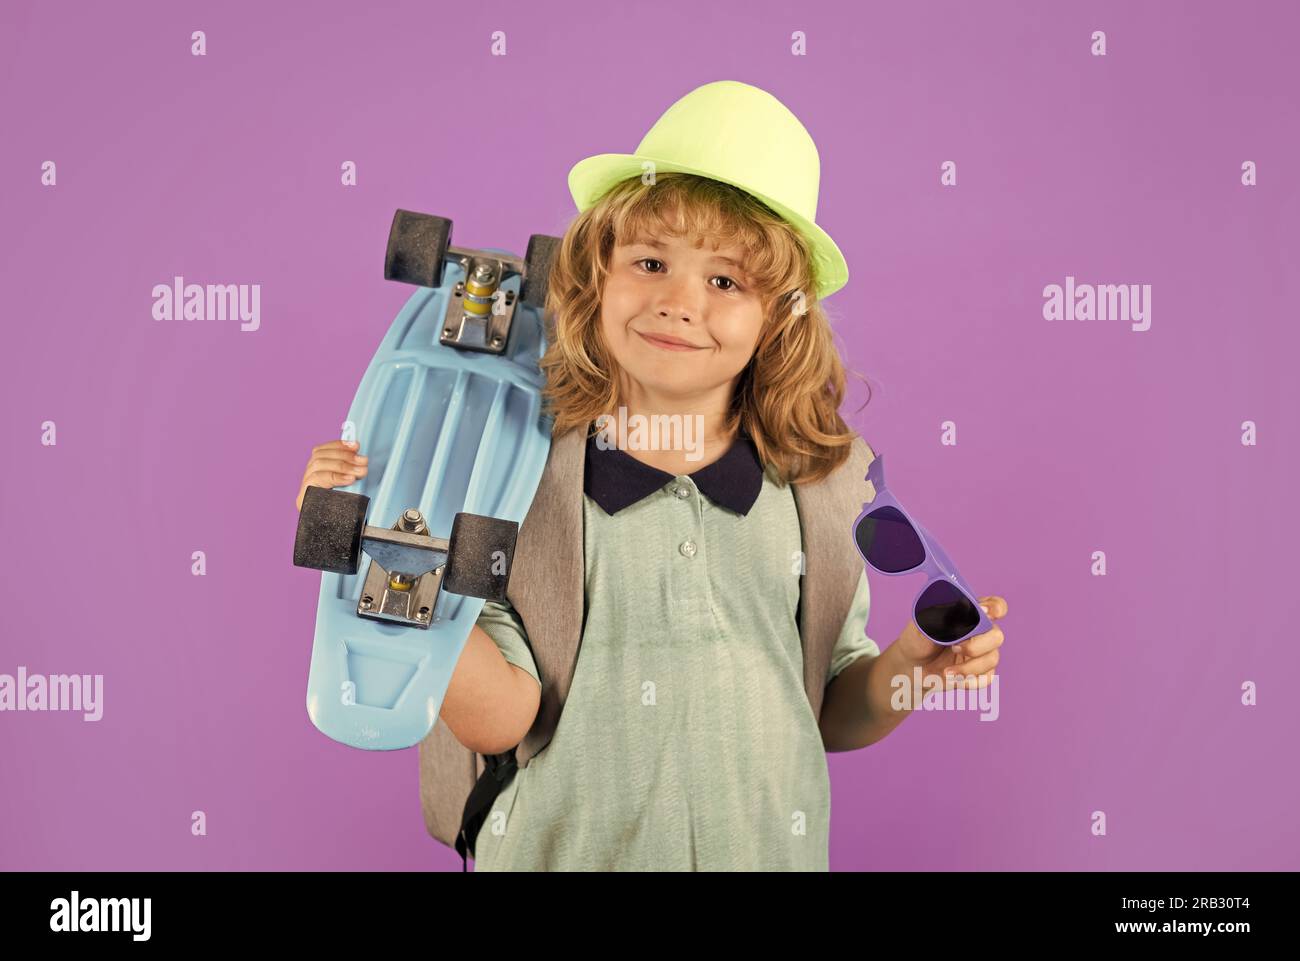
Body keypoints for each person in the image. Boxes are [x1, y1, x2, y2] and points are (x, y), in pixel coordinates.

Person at [295, 81, 1007, 871]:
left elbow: (829, 711)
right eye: (650, 261)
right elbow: (500, 720)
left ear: (780, 316)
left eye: (726, 281)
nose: (677, 301)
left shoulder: (819, 489)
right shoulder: (521, 480)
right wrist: (382, 548)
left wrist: (909, 668)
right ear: (597, 275)